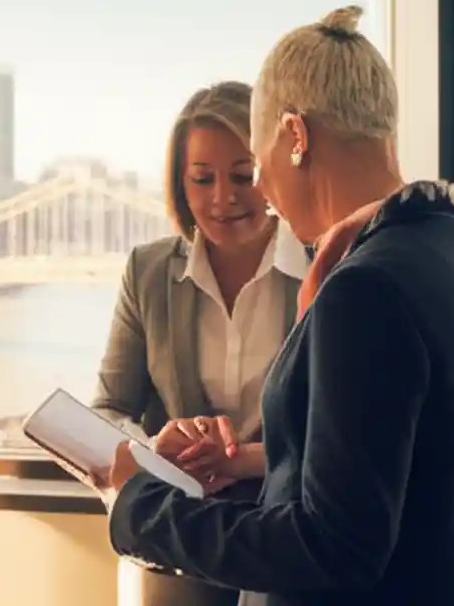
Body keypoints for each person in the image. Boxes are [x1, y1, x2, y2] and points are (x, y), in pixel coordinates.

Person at [94, 6, 454, 606]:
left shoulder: (363, 290)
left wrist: (139, 505)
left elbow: (330, 548)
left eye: (257, 163)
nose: (262, 190)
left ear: (295, 137)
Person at [91, 81, 305, 606]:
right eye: (202, 178)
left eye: (241, 175)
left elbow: (335, 438)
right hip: (174, 549)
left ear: (271, 171)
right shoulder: (147, 272)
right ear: (179, 185)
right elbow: (109, 410)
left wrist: (244, 458)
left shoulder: (324, 272)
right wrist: (156, 445)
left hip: (285, 546)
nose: (223, 198)